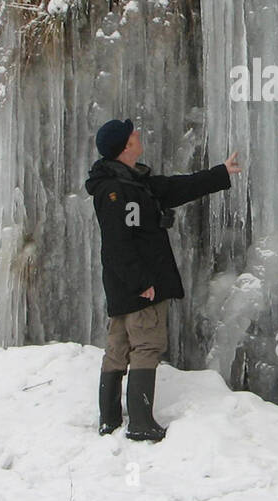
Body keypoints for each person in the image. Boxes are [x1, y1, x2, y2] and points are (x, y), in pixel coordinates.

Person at [85, 119, 241, 441]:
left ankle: (109, 420)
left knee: (118, 346)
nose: (138, 135)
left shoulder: (133, 182)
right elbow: (118, 242)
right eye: (133, 135)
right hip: (139, 284)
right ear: (125, 147)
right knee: (146, 345)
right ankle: (141, 423)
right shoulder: (117, 191)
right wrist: (142, 282)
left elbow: (177, 188)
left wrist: (220, 172)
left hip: (121, 283)